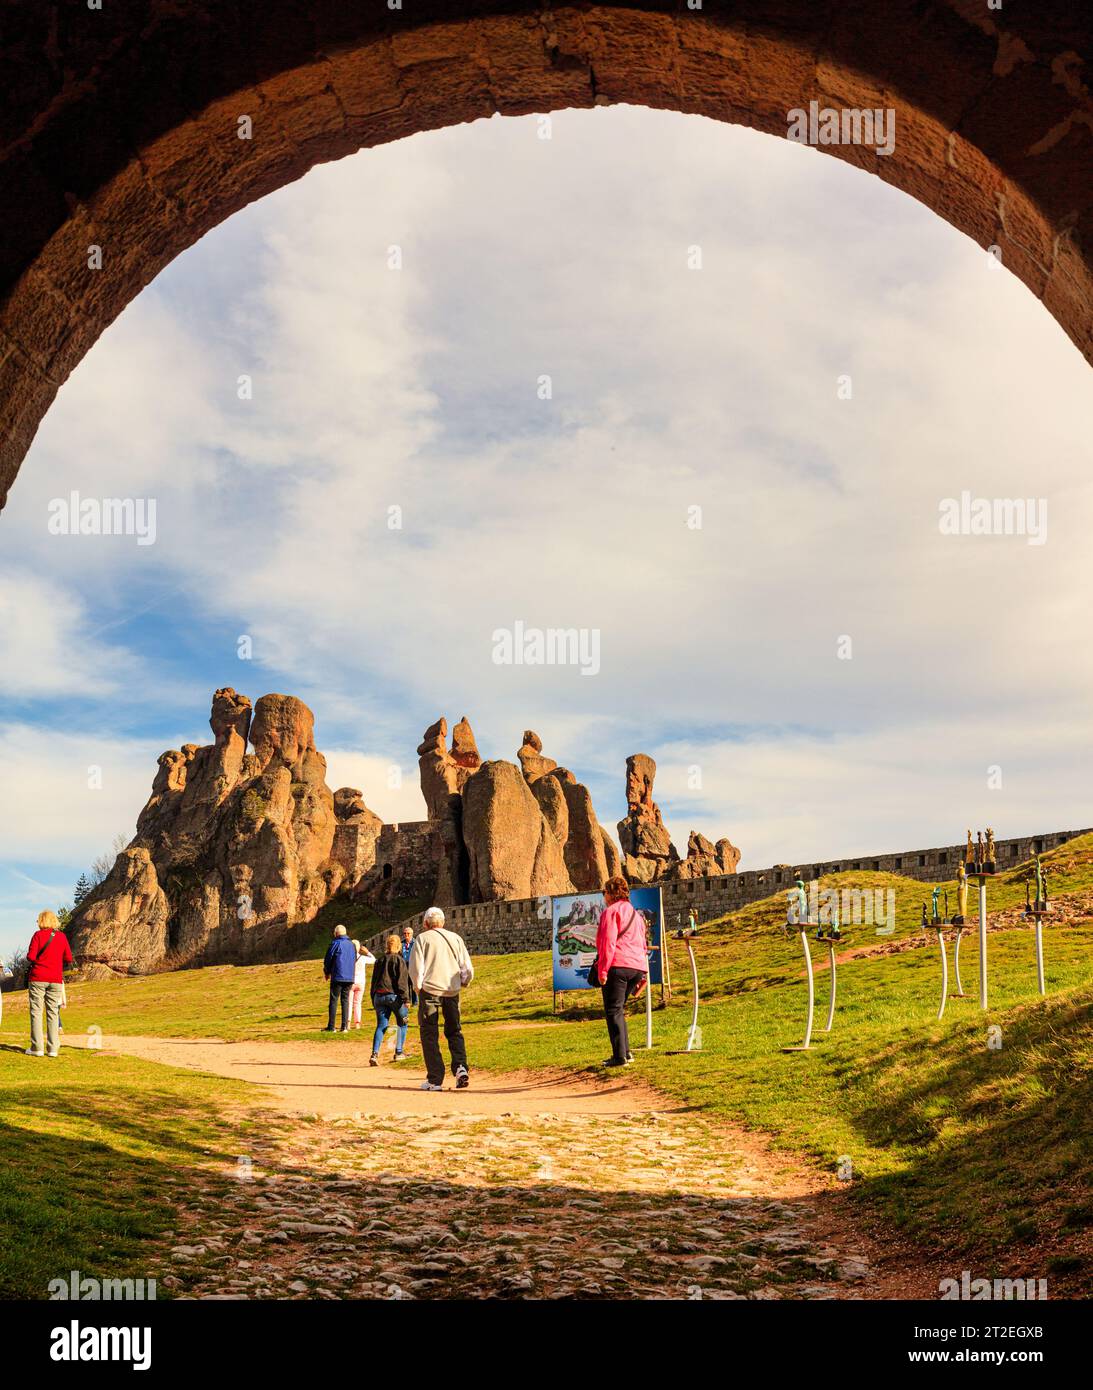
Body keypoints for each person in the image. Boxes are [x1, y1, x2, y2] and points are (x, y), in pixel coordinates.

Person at [408, 906, 473, 1091]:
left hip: (431, 992)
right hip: (451, 992)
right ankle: (460, 1067)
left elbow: (416, 968)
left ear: (426, 923)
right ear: (443, 922)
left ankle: (435, 1079)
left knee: (429, 1033)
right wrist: (464, 982)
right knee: (454, 1031)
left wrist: (418, 987)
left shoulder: (422, 939)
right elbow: (467, 968)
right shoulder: (456, 938)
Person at [596, 876, 648, 1068]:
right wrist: (643, 972)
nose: (604, 896)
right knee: (618, 1010)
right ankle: (626, 1052)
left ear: (611, 893)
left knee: (612, 1011)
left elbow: (607, 942)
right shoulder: (636, 915)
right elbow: (643, 943)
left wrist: (603, 970)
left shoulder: (611, 912)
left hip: (618, 965)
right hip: (636, 967)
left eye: (605, 892)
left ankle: (619, 1058)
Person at [25, 910, 74, 1058]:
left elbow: (31, 956)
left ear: (41, 921)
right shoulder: (61, 936)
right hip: (55, 979)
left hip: (38, 978)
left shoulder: (38, 935)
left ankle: (37, 1048)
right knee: (53, 1013)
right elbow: (69, 958)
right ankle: (53, 1049)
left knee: (36, 1012)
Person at [370, 934, 411, 1066]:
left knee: (381, 1026)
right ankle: (399, 1052)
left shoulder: (379, 960)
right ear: (399, 946)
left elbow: (374, 981)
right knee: (402, 1023)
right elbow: (402, 982)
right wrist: (406, 999)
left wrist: (373, 996)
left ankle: (375, 1054)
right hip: (394, 997)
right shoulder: (399, 960)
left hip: (379, 996)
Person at [322, 924, 356, 1033]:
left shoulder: (335, 943)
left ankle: (331, 1026)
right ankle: (344, 1026)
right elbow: (354, 959)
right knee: (345, 1001)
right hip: (349, 977)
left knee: (334, 1000)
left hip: (338, 976)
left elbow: (328, 959)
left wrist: (327, 972)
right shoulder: (352, 945)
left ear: (336, 933)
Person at [348, 939, 377, 1030]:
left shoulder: (348, 958)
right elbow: (374, 960)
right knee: (358, 1003)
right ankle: (357, 1023)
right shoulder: (362, 958)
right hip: (361, 983)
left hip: (350, 982)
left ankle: (347, 1023)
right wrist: (368, 952)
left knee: (349, 1003)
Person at [400, 924, 418, 1007]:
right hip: (404, 965)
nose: (406, 935)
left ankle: (415, 1002)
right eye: (405, 933)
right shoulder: (401, 944)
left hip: (413, 964)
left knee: (413, 983)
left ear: (412, 934)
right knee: (405, 984)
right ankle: (407, 1001)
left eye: (408, 933)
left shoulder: (415, 943)